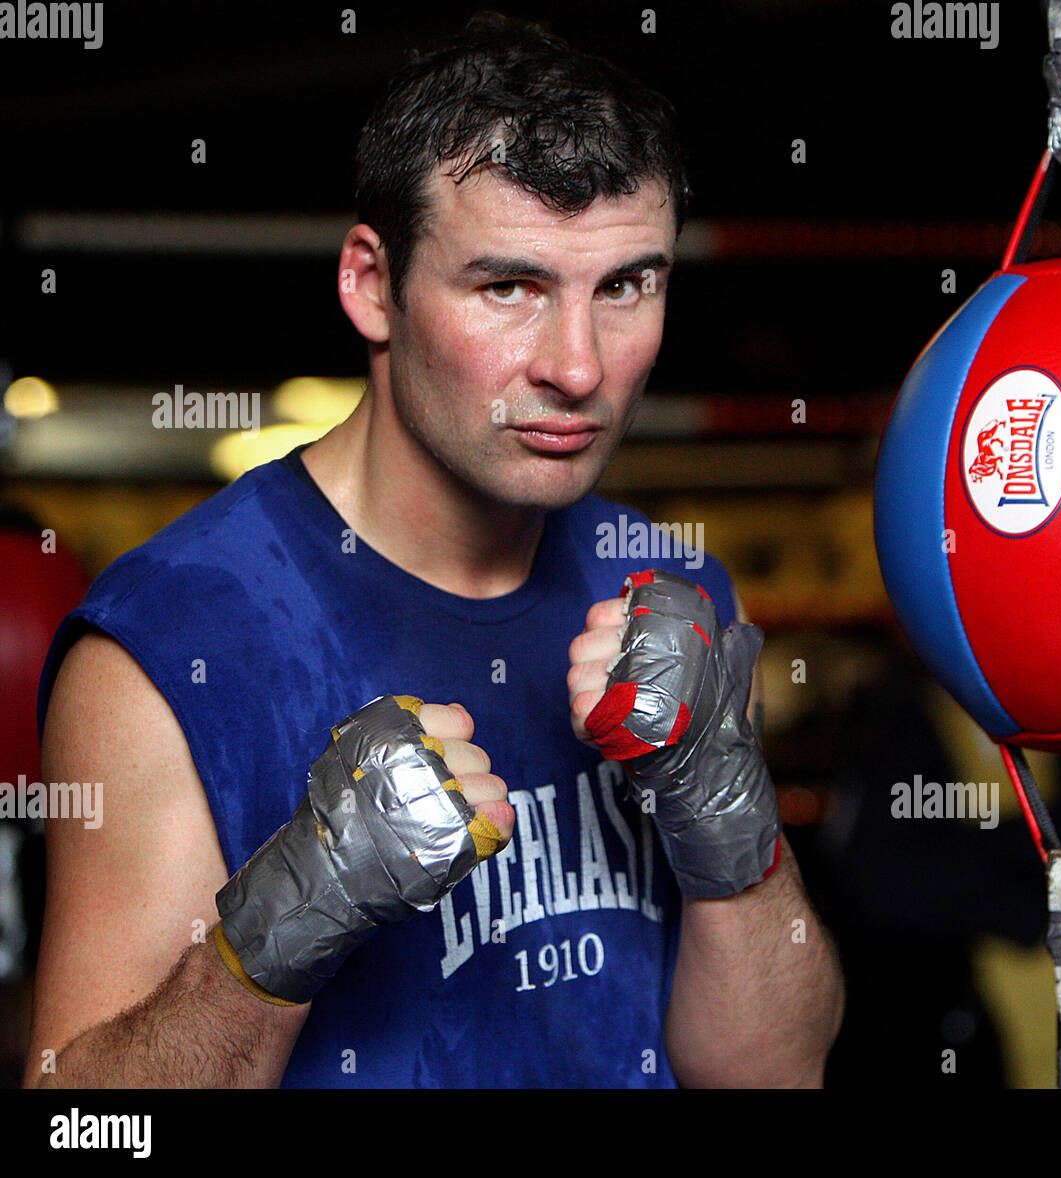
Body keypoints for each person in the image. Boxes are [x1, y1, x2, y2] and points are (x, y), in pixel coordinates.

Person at [23, 13, 844, 1088]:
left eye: (625, 286)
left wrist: (725, 809)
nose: (580, 367)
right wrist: (273, 934)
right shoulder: (174, 643)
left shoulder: (668, 585)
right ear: (371, 284)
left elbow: (774, 1073)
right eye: (509, 287)